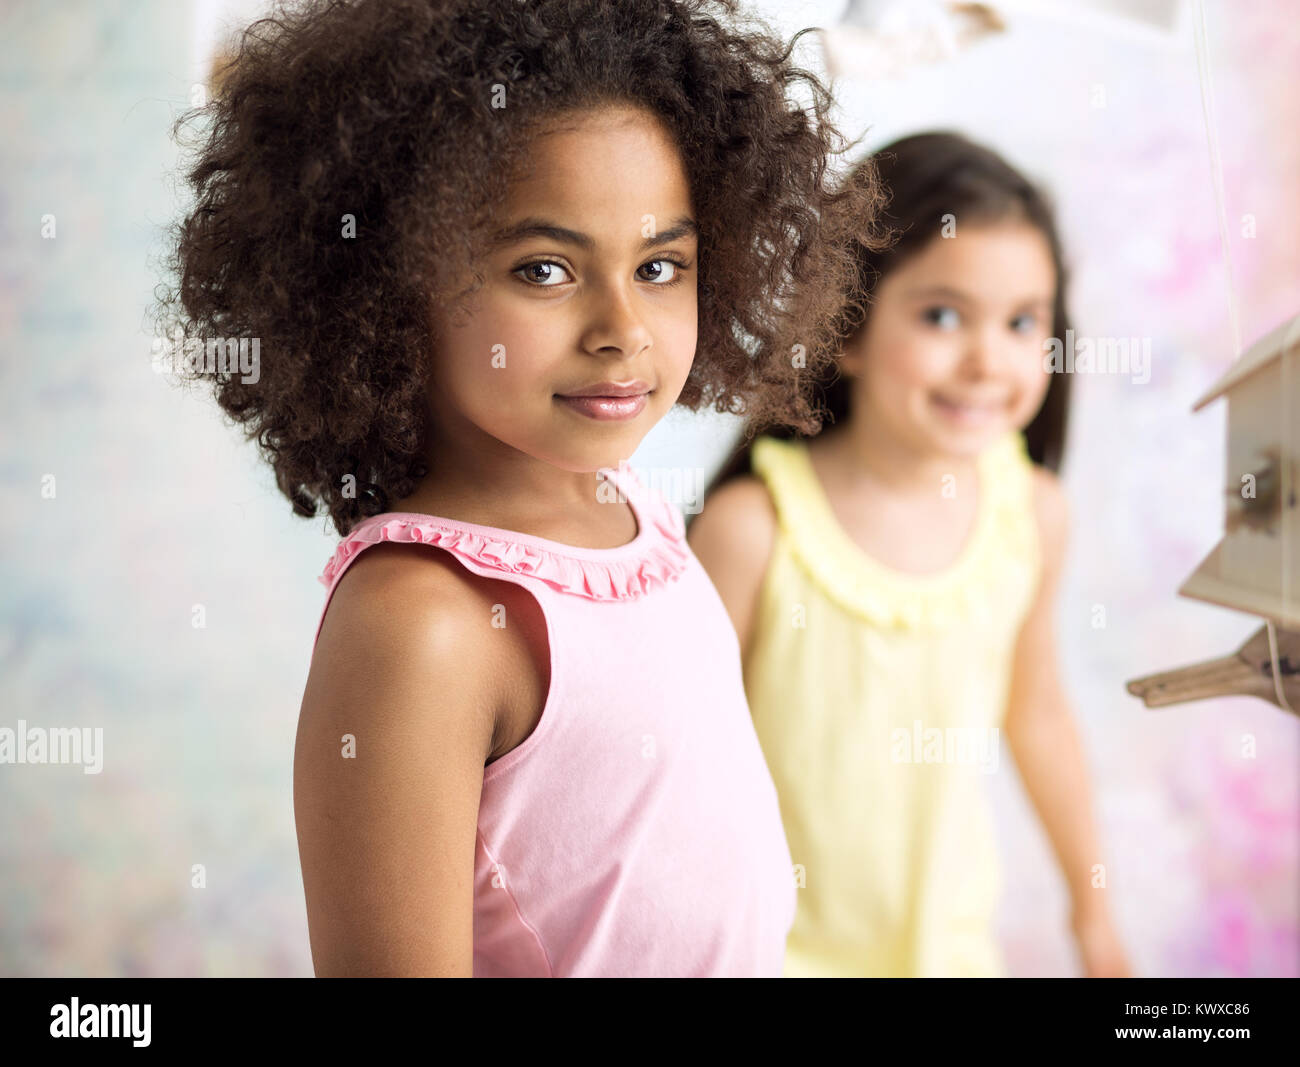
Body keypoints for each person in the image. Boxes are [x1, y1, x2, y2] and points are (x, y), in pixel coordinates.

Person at [153, 0, 882, 976]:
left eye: (660, 264)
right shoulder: (422, 622)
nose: (622, 326)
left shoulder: (637, 517)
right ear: (383, 282)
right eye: (544, 269)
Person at [689, 131, 1133, 978]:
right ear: (844, 326)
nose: (987, 359)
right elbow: (680, 767)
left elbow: (1036, 713)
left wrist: (1094, 916)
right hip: (771, 958)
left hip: (952, 954)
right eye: (941, 315)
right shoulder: (754, 531)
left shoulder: (1032, 515)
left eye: (1022, 322)